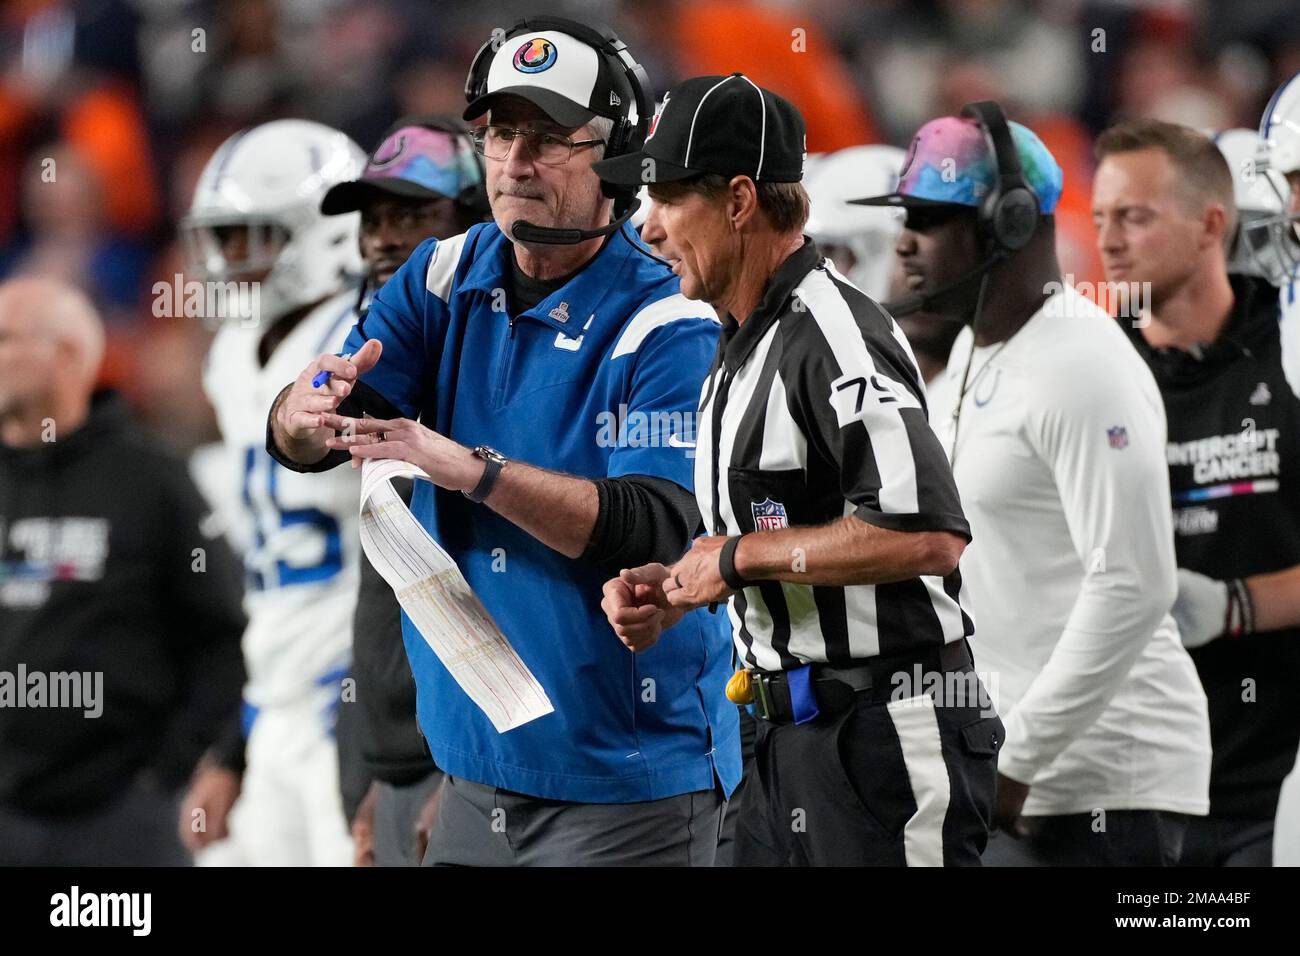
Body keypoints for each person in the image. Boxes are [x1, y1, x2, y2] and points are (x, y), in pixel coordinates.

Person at [266, 17, 740, 867]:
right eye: (502, 133)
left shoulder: (669, 312)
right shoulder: (445, 272)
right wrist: (295, 418)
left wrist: (470, 470)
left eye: (551, 138)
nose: (516, 161)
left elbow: (657, 527)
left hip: (626, 775)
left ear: (620, 156)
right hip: (472, 766)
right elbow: (340, 422)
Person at [597, 73, 1001, 867]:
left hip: (882, 735)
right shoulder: (736, 340)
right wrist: (680, 588)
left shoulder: (833, 331)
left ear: (739, 200)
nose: (647, 227)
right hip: (780, 741)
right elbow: (774, 534)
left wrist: (739, 559)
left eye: (668, 199)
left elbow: (928, 533)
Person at [871, 103, 1209, 866]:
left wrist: (1018, 759)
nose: (903, 242)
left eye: (928, 220)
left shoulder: (1081, 362)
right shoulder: (973, 359)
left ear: (1011, 224)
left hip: (1107, 782)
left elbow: (1133, 583)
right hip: (1021, 773)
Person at [1093, 118, 1300, 865]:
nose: (1109, 242)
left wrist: (1237, 604)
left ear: (1213, 223)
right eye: (1099, 219)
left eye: (1135, 217)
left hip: (1274, 782)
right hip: (1125, 791)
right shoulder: (1084, 369)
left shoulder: (1291, 353)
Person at [0, 276, 246, 865]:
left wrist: (167, 771)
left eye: (6, 339)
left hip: (118, 820)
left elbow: (224, 634)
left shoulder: (151, 480)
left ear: (68, 354)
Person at [178, 118, 368, 866]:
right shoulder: (232, 356)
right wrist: (236, 737)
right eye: (219, 239)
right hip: (273, 689)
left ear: (325, 232)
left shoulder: (363, 332)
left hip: (349, 686)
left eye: (248, 236)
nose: (226, 262)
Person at [319, 116, 491, 866]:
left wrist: (468, 776)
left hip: (472, 756)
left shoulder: (496, 358)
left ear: (473, 224)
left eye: (414, 216)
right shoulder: (367, 361)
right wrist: (371, 767)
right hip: (391, 750)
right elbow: (385, 579)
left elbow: (514, 583)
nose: (386, 239)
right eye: (375, 220)